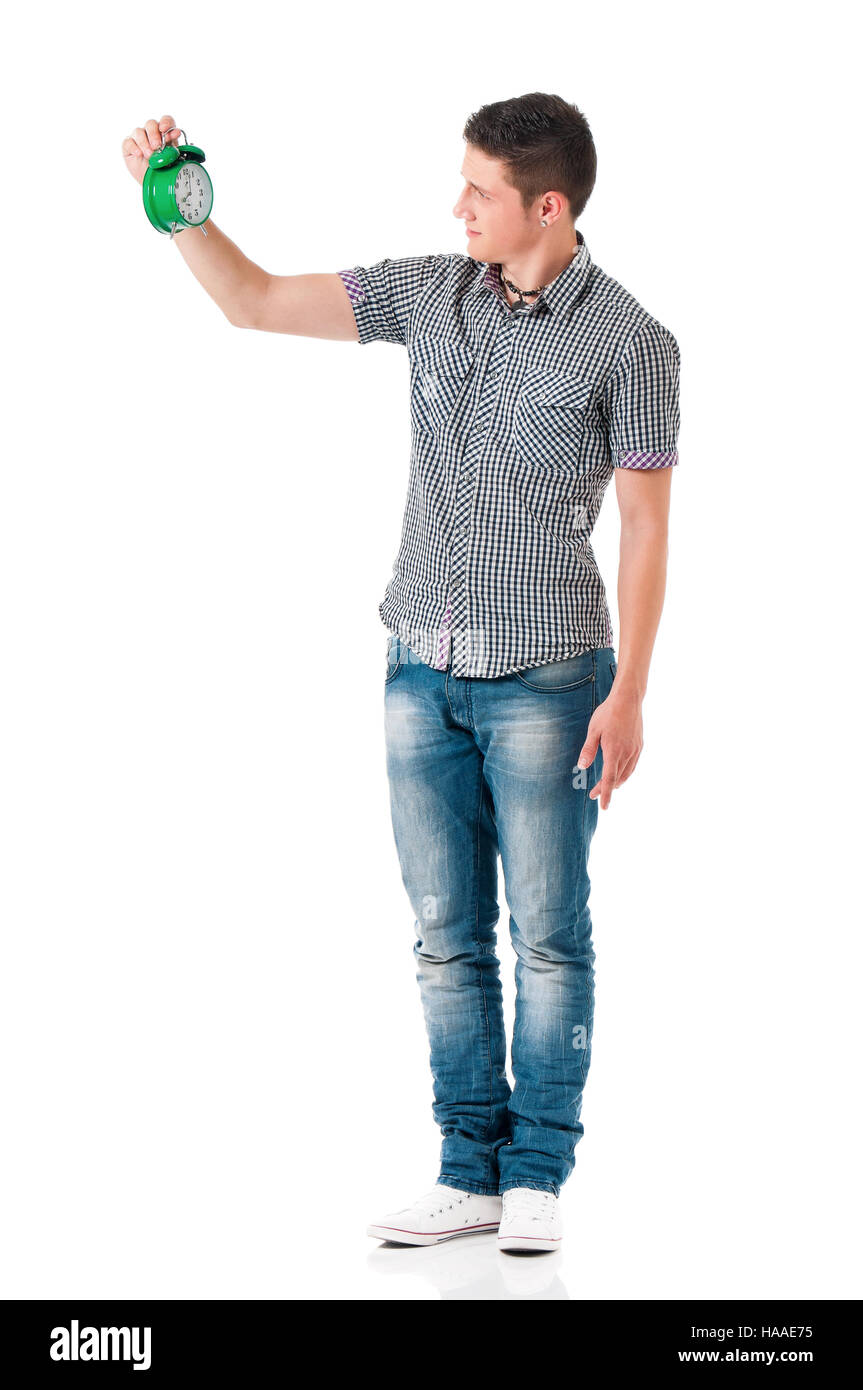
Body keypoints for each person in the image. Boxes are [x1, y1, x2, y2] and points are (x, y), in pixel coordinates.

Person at [122, 92, 680, 1255]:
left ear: (547, 205)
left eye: (477, 191)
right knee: (441, 934)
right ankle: (464, 1169)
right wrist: (178, 204)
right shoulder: (433, 293)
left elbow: (641, 527)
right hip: (416, 670)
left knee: (547, 935)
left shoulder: (631, 341)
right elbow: (253, 301)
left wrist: (628, 690)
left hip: (547, 681)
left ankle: (535, 1173)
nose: (455, 205)